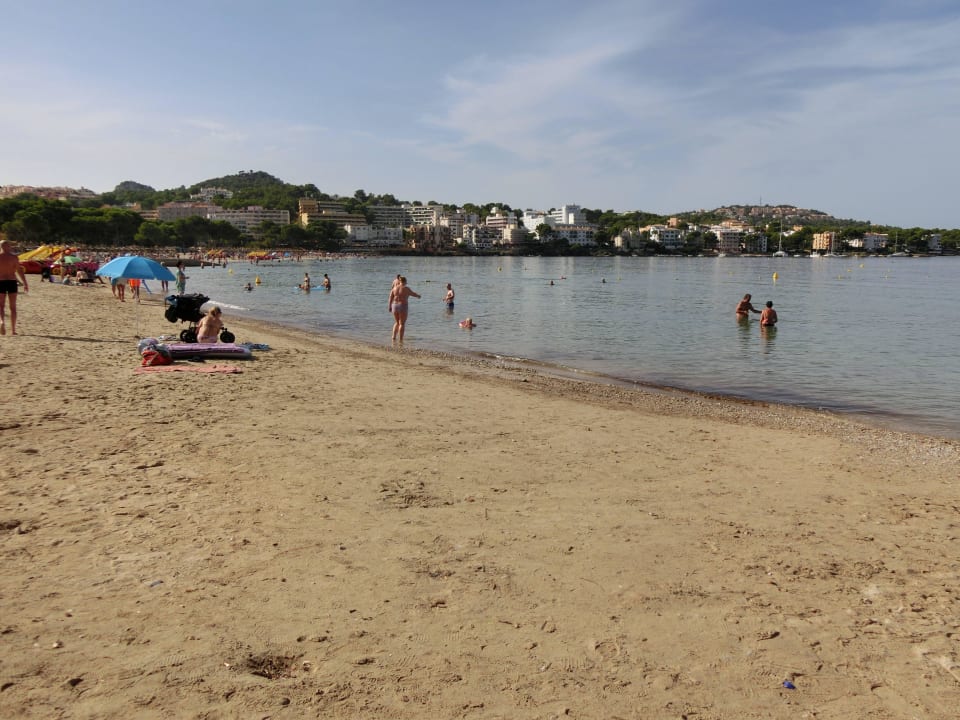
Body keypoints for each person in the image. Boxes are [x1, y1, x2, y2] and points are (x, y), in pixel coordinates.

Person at [0, 238, 28, 335]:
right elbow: (19, 271)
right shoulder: (14, 258)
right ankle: (13, 330)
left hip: (1, 282)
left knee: (1, 306)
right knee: (13, 307)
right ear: (7, 246)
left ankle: (2, 322)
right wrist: (25, 283)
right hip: (12, 282)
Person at [388, 275, 421, 343]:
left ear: (399, 281)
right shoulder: (406, 288)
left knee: (397, 322)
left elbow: (390, 298)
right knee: (402, 323)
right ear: (405, 281)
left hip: (394, 305)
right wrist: (418, 296)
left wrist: (389, 307)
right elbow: (413, 294)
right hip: (402, 306)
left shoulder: (394, 288)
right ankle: (401, 339)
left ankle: (393, 337)